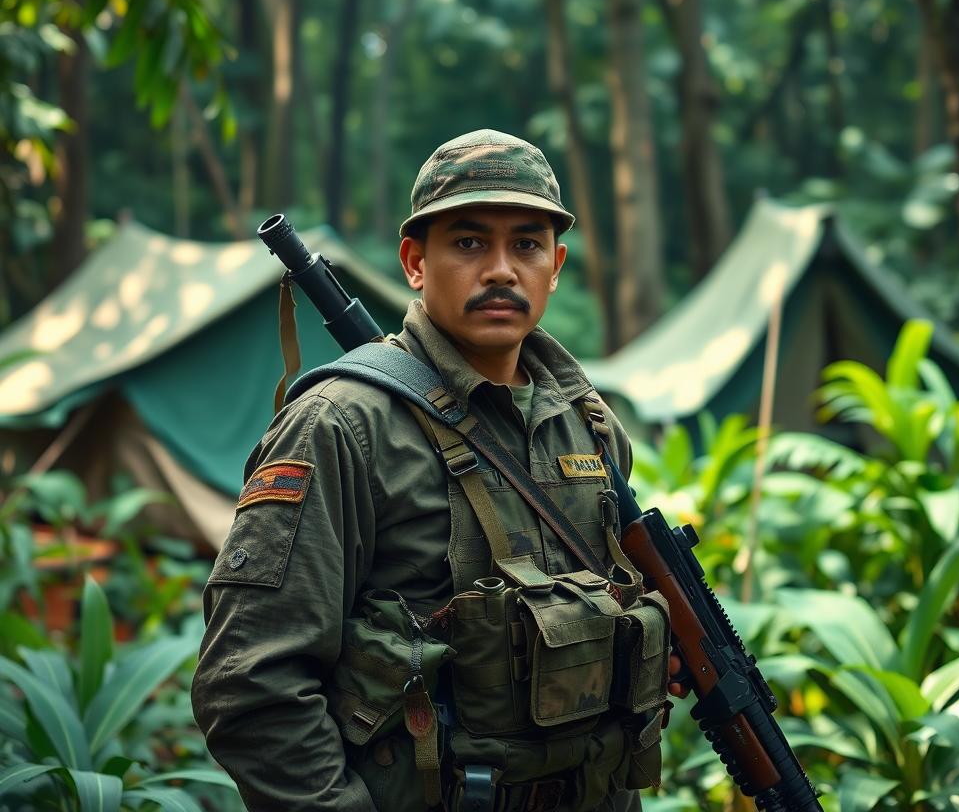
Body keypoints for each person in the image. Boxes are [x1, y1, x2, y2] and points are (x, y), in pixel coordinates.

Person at [192, 129, 674, 812]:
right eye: (470, 243)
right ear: (415, 262)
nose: (502, 269)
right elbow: (249, 685)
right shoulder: (342, 425)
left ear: (556, 265)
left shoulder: (588, 424)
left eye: (527, 245)